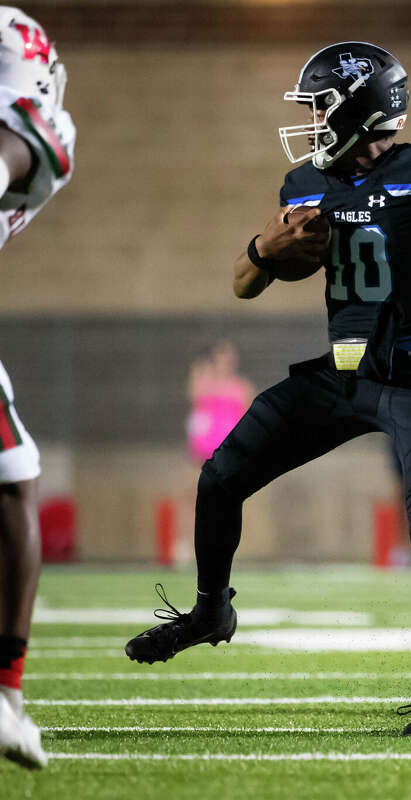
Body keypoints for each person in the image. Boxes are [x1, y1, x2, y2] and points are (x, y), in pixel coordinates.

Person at [123, 42, 411, 737]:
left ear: (360, 105)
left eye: (321, 105)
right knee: (220, 476)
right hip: (344, 372)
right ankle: (210, 610)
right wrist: (265, 251)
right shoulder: (304, 184)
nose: (315, 120)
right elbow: (245, 281)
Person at [0, 7, 74, 770]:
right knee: (14, 475)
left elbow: (25, 140)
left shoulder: (43, 129)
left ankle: (6, 695)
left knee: (15, 474)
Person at [187, 341, 254, 465]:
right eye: (220, 357)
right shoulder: (205, 382)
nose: (225, 362)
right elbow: (195, 399)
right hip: (207, 443)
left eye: (228, 358)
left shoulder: (242, 386)